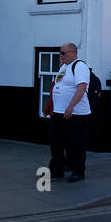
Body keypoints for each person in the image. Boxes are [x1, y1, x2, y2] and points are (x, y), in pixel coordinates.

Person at [42, 41, 91, 182]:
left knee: (76, 144)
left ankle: (78, 171)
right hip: (58, 112)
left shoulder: (80, 66)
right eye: (60, 53)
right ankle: (57, 170)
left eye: (63, 53)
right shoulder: (63, 67)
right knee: (55, 142)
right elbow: (59, 86)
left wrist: (71, 106)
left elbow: (81, 88)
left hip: (76, 113)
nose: (60, 55)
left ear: (73, 53)